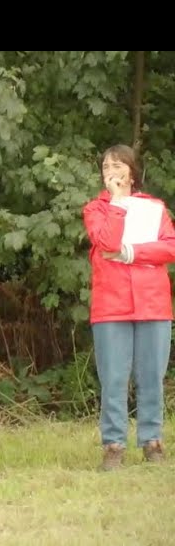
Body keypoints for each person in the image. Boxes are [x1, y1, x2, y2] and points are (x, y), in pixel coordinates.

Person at [82, 144, 175, 470]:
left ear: (133, 172)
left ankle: (152, 441)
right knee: (114, 378)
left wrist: (132, 253)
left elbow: (170, 247)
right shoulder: (96, 209)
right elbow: (106, 243)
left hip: (153, 303)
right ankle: (114, 445)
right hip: (112, 305)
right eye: (107, 165)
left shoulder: (155, 208)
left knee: (152, 376)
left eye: (119, 165)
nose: (112, 170)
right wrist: (117, 206)